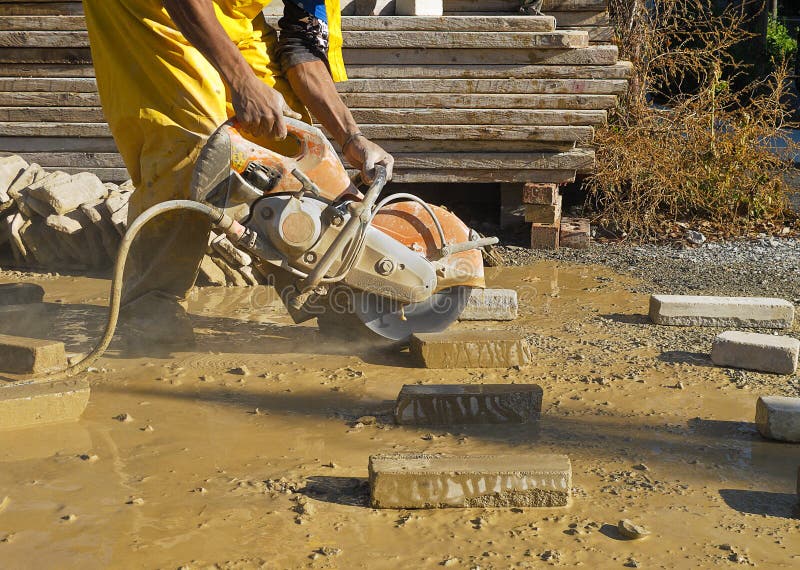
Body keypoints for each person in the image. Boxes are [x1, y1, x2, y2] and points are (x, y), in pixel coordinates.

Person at [82, 0, 394, 348]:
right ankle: (149, 305)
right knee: (197, 145)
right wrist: (241, 81)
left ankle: (337, 295)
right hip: (150, 9)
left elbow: (301, 45)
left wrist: (350, 136)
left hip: (229, 11)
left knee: (291, 149)